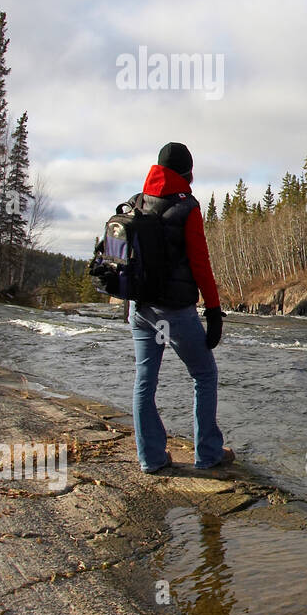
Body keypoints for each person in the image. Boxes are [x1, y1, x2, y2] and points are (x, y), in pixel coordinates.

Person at [129, 142, 233, 473]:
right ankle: (208, 454)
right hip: (175, 312)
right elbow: (200, 263)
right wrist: (214, 312)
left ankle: (151, 458)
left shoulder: (137, 201)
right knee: (204, 374)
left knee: (145, 380)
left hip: (141, 308)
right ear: (187, 172)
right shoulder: (188, 207)